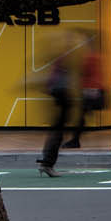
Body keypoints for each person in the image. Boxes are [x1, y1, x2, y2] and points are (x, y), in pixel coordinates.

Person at [37, 45, 75, 177]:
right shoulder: (64, 65)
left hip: (59, 99)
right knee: (57, 133)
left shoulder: (59, 66)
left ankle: (46, 163)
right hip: (61, 99)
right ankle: (47, 164)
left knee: (56, 131)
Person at [66, 38, 105, 149]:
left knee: (81, 117)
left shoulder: (89, 58)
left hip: (90, 91)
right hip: (96, 90)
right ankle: (75, 139)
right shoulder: (97, 57)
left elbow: (82, 72)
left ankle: (75, 140)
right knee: (82, 116)